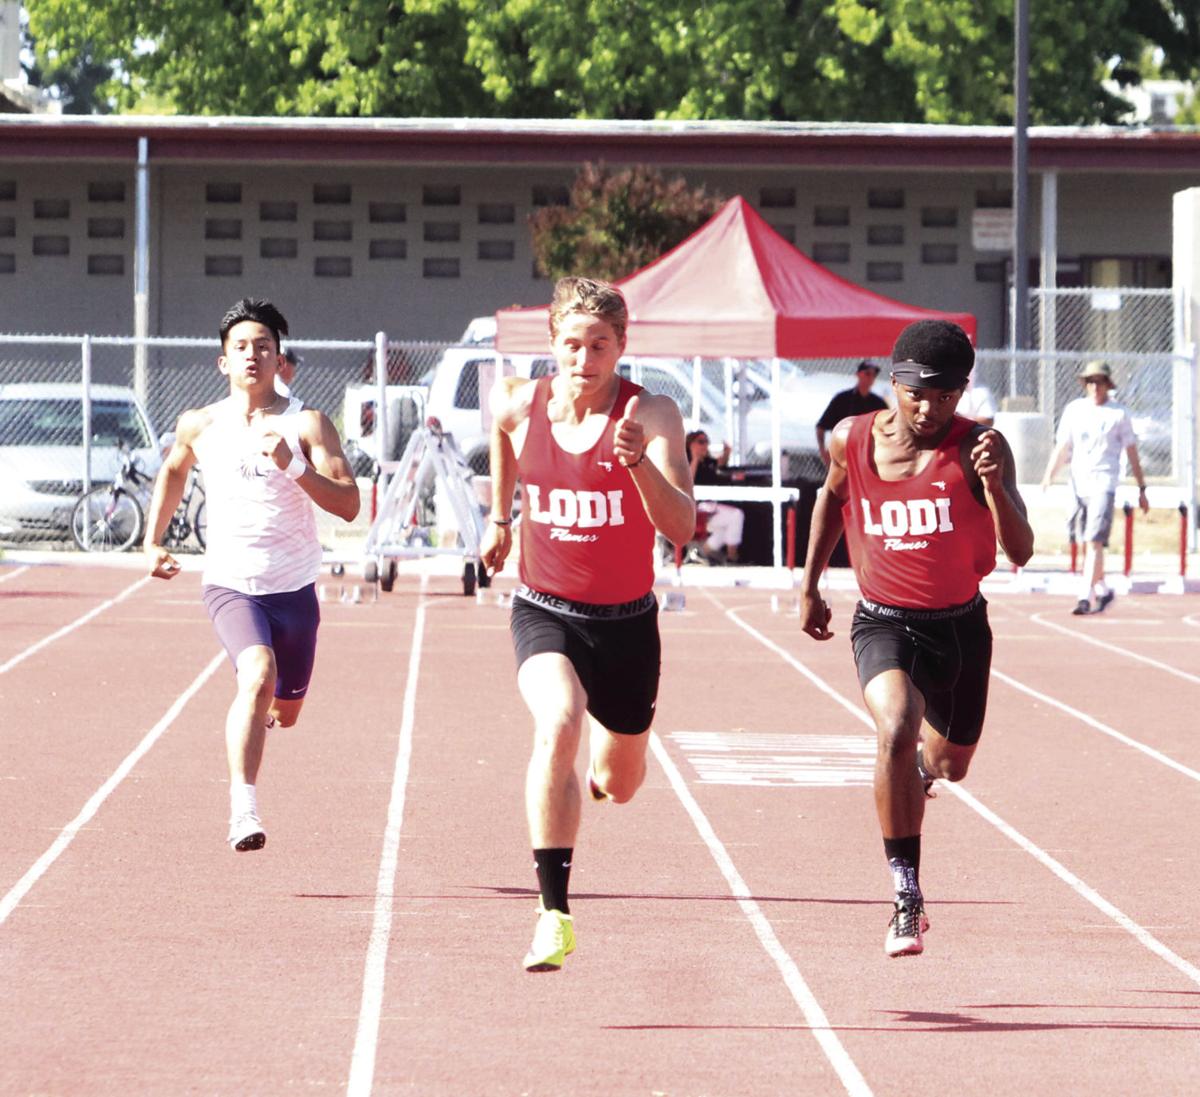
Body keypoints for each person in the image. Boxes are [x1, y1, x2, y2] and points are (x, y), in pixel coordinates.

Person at [799, 319, 1033, 958]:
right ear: (892, 382)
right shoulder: (852, 437)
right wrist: (810, 585)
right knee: (896, 727)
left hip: (959, 626)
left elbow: (1021, 550)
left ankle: (923, 772)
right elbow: (830, 500)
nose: (931, 408)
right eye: (917, 393)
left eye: (948, 396)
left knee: (951, 765)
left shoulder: (980, 445)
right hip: (883, 619)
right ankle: (907, 894)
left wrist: (992, 487)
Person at [480, 276, 694, 972]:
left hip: (628, 622)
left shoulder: (653, 414)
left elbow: (681, 525)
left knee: (620, 780)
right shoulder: (519, 399)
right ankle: (553, 912)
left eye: (599, 345)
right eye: (571, 344)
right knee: (558, 722)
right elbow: (503, 432)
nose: (583, 358)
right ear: (552, 345)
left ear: (621, 347)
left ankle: (602, 778)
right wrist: (500, 517)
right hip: (545, 608)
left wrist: (636, 464)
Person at [143, 298, 360, 851]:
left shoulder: (307, 422)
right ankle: (244, 810)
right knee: (257, 675)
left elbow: (349, 505)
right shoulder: (201, 423)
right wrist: (152, 540)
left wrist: (295, 466)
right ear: (223, 362)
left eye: (263, 346)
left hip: (294, 592)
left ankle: (261, 714)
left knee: (284, 713)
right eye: (240, 347)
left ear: (280, 359)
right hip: (231, 585)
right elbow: (172, 470)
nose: (252, 355)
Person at [1040, 360, 1149, 615]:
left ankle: (1084, 596)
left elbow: (1132, 451)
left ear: (1108, 385)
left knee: (1094, 541)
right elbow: (1063, 446)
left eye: (1099, 382)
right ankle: (1102, 587)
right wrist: (1049, 475)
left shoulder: (1118, 414)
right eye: (1090, 382)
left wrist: (1142, 488)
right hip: (1079, 483)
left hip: (1104, 482)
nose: (1094, 387)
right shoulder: (1074, 410)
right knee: (1082, 540)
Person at [686, 430, 744, 563]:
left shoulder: (707, 461)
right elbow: (688, 482)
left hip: (710, 505)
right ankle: (732, 557)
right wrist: (695, 458)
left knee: (725, 528)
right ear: (690, 444)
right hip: (694, 506)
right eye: (701, 442)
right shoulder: (685, 459)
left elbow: (719, 464)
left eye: (707, 442)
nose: (705, 445)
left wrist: (727, 452)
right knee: (736, 515)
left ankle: (703, 551)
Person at [816, 361, 888, 467]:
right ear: (858, 374)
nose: (871, 378)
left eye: (874, 375)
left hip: (868, 457)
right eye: (867, 373)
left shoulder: (878, 403)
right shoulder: (842, 399)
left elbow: (887, 429)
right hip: (843, 454)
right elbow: (821, 427)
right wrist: (823, 451)